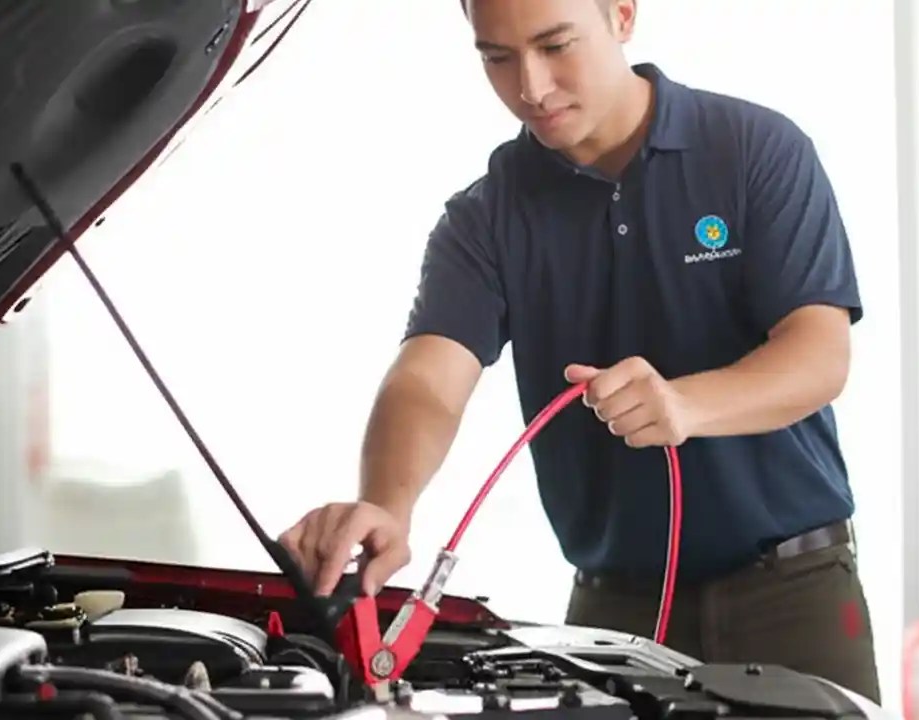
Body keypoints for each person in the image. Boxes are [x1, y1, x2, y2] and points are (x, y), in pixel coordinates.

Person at [278, 0, 881, 703]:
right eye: (497, 58)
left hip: (793, 592)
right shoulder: (486, 215)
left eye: (555, 45)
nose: (530, 87)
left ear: (622, 15)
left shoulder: (755, 150)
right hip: (609, 613)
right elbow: (429, 380)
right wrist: (387, 503)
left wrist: (685, 405)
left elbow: (819, 355)